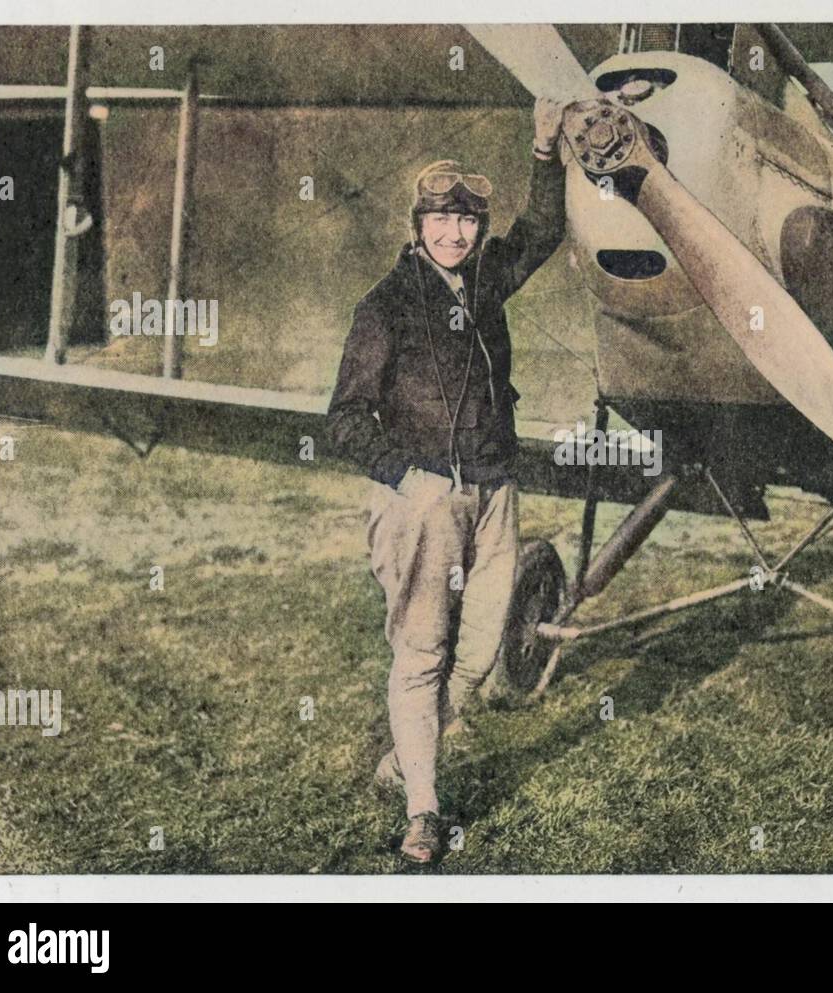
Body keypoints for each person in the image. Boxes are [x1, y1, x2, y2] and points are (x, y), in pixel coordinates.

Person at [326, 98, 567, 863]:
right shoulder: (385, 306)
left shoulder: (487, 284)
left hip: (495, 489)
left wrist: (543, 149)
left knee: (485, 647)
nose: (454, 232)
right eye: (439, 220)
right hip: (425, 501)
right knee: (424, 650)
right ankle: (425, 810)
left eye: (466, 221)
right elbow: (343, 418)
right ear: (417, 227)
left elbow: (543, 230)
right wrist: (408, 478)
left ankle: (408, 752)